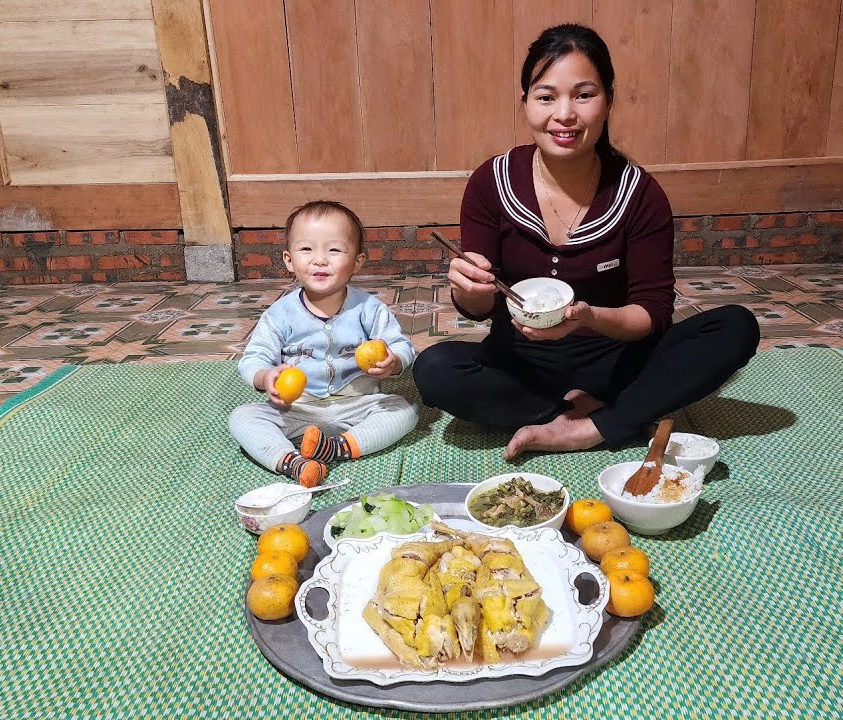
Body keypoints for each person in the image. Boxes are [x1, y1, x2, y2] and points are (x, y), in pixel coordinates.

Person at [412, 24, 759, 461]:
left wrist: (589, 317)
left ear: (608, 100)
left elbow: (652, 314)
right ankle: (604, 413)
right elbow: (479, 309)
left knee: (734, 326)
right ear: (525, 103)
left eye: (583, 94)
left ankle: (592, 427)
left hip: (618, 364)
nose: (564, 115)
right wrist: (468, 290)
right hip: (522, 365)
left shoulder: (638, 192)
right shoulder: (491, 182)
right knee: (435, 370)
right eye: (546, 96)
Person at [229, 201, 418, 486]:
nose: (319, 259)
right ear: (289, 260)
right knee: (242, 417)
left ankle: (337, 447)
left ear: (357, 261)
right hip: (297, 410)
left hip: (359, 405)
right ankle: (292, 462)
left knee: (405, 410)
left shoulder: (369, 308)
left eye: (334, 250)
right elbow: (253, 358)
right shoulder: (279, 314)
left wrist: (394, 362)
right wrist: (265, 376)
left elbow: (401, 346)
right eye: (306, 249)